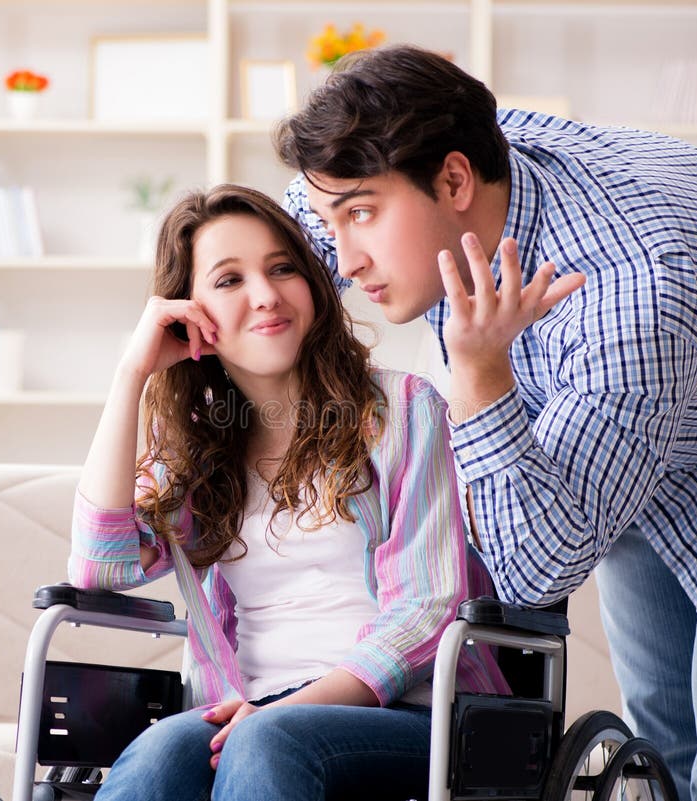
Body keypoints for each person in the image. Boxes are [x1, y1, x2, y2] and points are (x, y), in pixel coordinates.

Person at [275, 44, 697, 801]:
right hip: (660, 421)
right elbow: (295, 229)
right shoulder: (451, 147)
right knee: (659, 751)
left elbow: (535, 569)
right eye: (335, 217)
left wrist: (478, 373)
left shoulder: (630, 298)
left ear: (455, 181)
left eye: (361, 215)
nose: (347, 255)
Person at [69, 183, 508, 801]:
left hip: (414, 713)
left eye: (282, 269)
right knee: (158, 754)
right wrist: (131, 375)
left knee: (265, 742)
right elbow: (100, 566)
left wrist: (285, 711)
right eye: (229, 281)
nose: (267, 295)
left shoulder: (404, 411)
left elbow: (426, 610)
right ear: (187, 313)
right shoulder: (202, 448)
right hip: (252, 710)